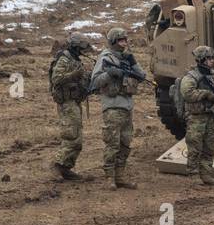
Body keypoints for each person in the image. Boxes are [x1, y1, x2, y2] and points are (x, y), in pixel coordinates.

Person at [89, 26, 143, 189]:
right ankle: (109, 177)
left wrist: (133, 62)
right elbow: (94, 82)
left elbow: (141, 76)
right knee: (112, 143)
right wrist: (110, 74)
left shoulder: (127, 57)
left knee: (125, 143)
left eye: (125, 40)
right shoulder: (105, 58)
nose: (124, 43)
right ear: (113, 41)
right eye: (120, 40)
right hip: (112, 106)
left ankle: (120, 175)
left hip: (127, 106)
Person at [179, 45, 214, 187]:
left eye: (212, 58)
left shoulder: (213, 77)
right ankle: (193, 175)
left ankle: (206, 174)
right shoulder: (191, 76)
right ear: (201, 60)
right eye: (208, 58)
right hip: (196, 117)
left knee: (209, 146)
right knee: (195, 146)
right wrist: (206, 94)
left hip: (210, 116)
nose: (211, 61)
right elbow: (187, 94)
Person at [48, 34, 94, 181]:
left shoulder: (75, 60)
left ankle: (65, 168)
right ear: (75, 47)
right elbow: (56, 79)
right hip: (67, 103)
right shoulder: (64, 59)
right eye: (81, 48)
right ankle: (57, 165)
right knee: (71, 136)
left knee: (78, 139)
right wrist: (75, 74)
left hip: (75, 102)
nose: (83, 51)